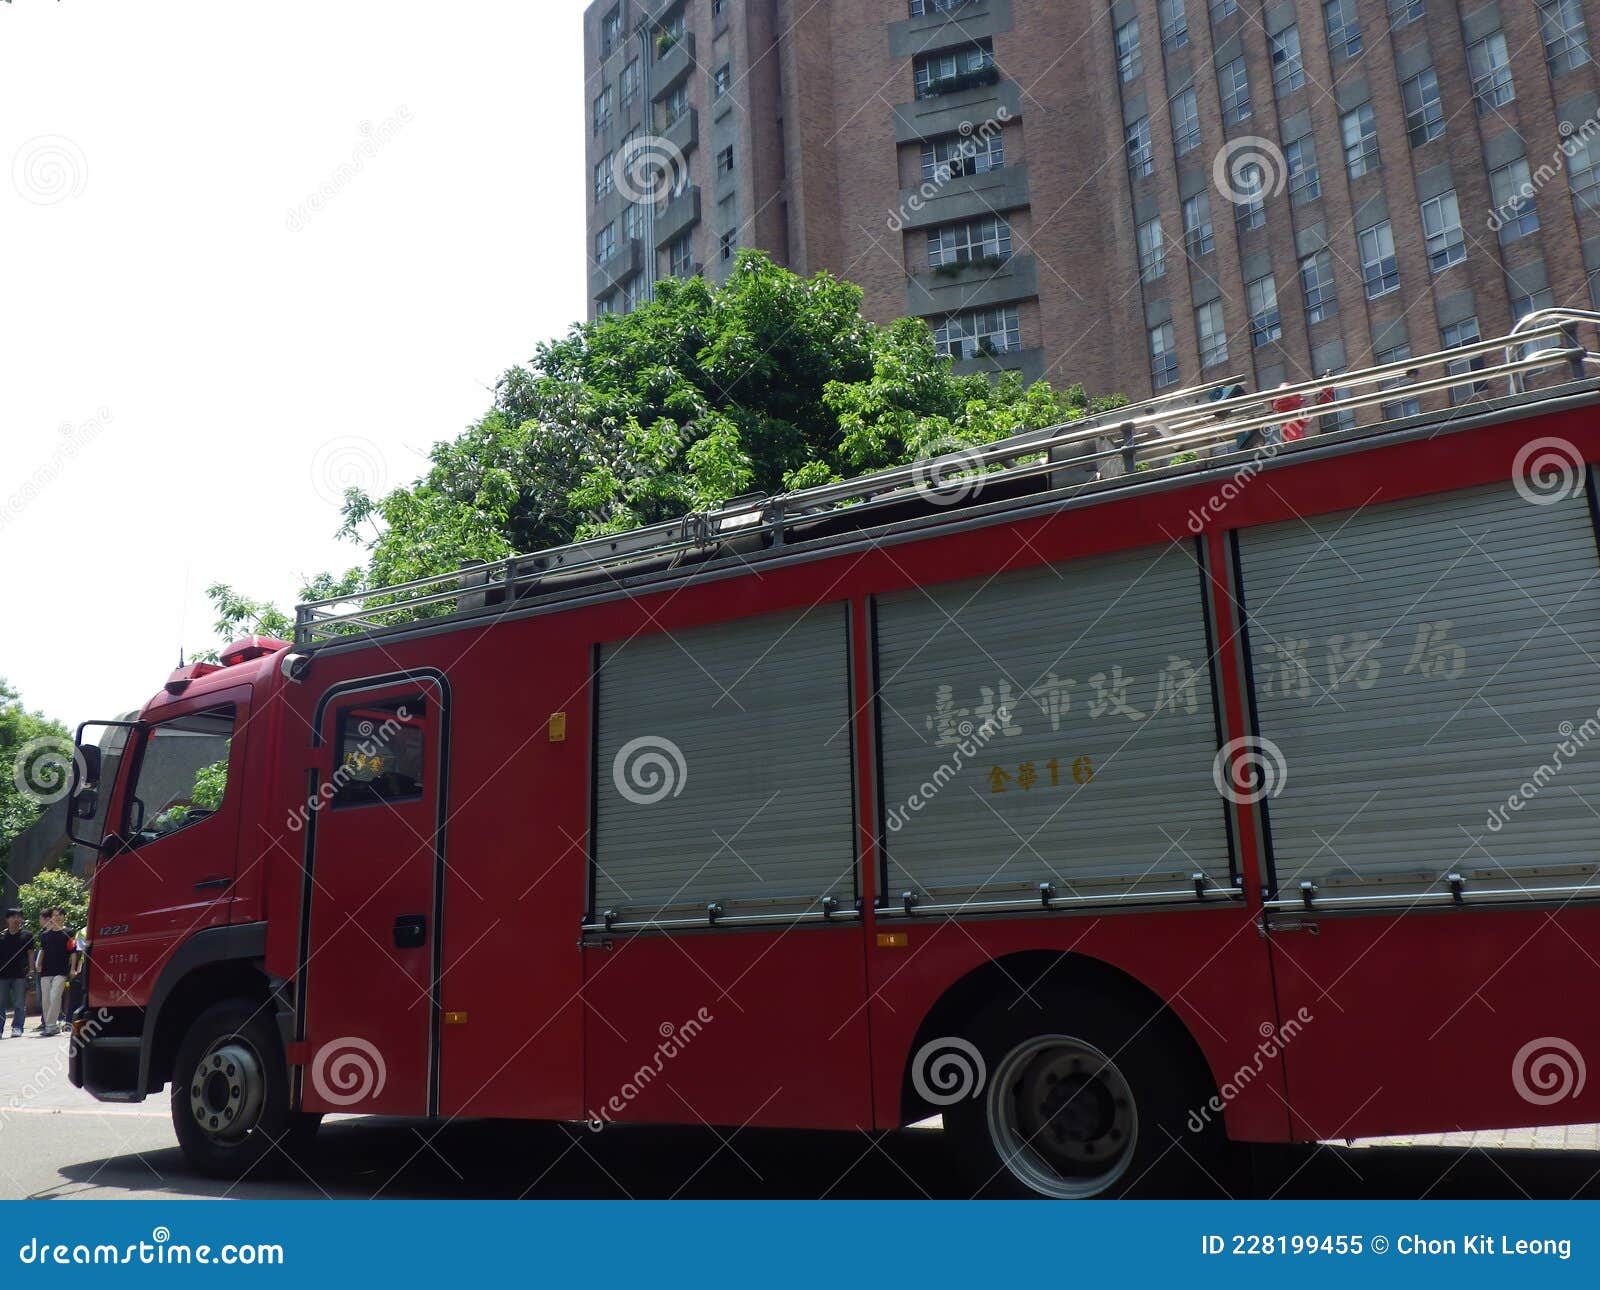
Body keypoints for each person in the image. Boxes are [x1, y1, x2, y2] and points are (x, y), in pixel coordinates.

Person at [34, 908, 71, 1037]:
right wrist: (38, 963)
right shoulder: (44, 935)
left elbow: (73, 952)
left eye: (60, 915)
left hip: (61, 970)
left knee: (55, 996)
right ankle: (52, 1025)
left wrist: (73, 969)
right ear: (51, 918)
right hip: (46, 971)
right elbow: (42, 950)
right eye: (55, 915)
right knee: (46, 999)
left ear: (64, 917)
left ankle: (50, 1026)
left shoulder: (68, 932)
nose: (57, 917)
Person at [0, 909, 31, 1038]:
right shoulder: (1, 936)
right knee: (0, 1003)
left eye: (19, 917)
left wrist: (31, 969)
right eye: (13, 917)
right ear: (7, 919)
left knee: (19, 1003)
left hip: (20, 974)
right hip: (2, 975)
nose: (16, 919)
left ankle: (17, 1027)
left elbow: (30, 954)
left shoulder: (27, 935)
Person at [67, 926, 89, 1025]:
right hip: (84, 967)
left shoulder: (84, 931)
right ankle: (70, 1022)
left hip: (87, 967)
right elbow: (79, 952)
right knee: (77, 996)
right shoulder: (83, 932)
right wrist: (76, 970)